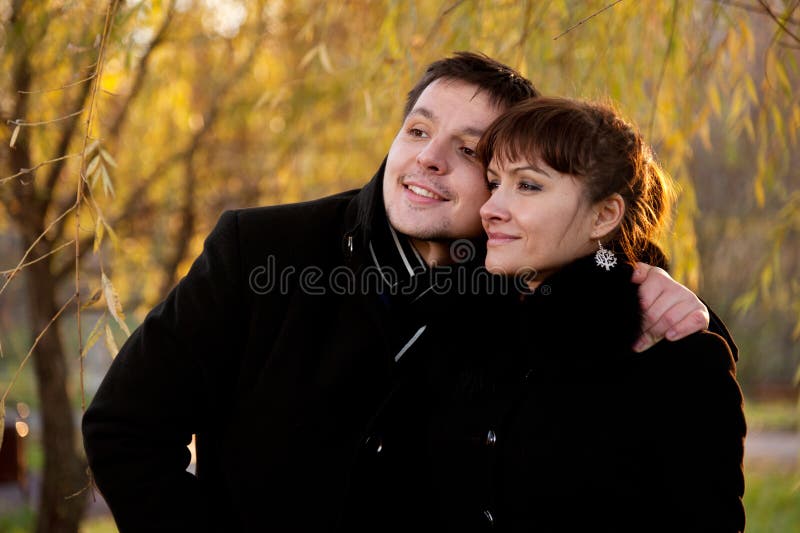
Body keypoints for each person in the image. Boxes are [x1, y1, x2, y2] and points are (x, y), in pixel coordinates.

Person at [82, 53, 730, 532]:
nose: (428, 158)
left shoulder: (517, 280)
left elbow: (607, 281)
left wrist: (663, 291)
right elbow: (124, 427)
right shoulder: (263, 250)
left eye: (469, 151)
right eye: (418, 132)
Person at [411, 97, 745, 531]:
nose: (490, 209)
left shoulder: (676, 359)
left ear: (603, 216)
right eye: (494, 183)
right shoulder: (464, 332)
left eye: (528, 186)